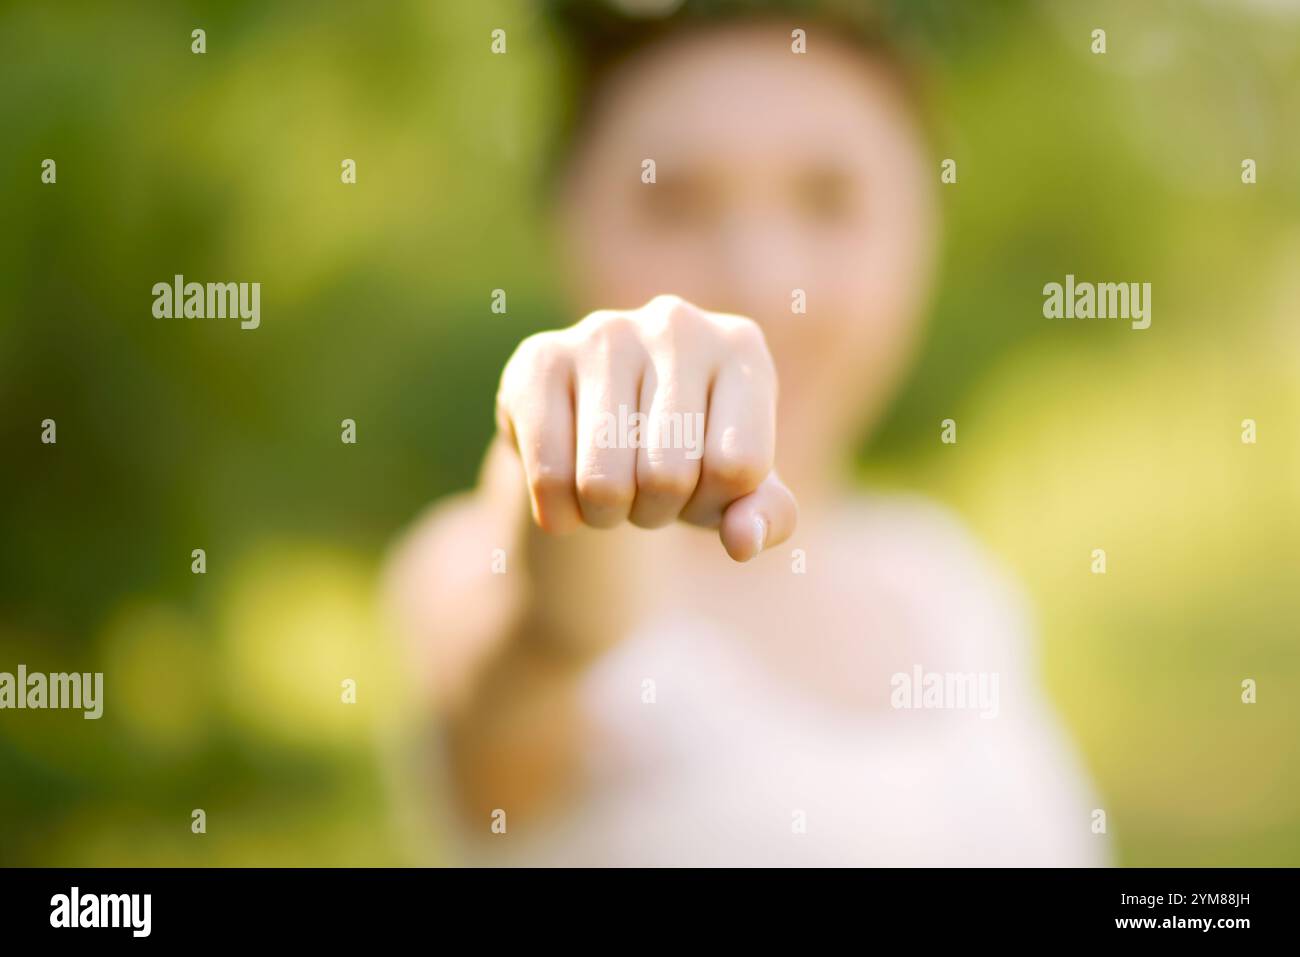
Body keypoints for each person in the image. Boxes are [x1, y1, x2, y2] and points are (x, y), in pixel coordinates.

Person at [384, 2, 1105, 866]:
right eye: (674, 203)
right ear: (567, 227)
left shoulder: (945, 574)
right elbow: (532, 643)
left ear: (923, 229)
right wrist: (564, 458)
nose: (763, 279)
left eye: (829, 198)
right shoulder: (474, 574)